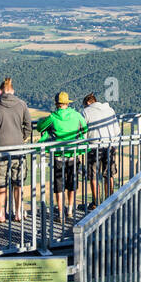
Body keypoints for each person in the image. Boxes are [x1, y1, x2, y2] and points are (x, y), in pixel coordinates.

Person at [0, 77, 34, 222]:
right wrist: (21, 139)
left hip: (0, 150)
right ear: (13, 91)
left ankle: (1, 214)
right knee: (18, 182)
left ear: (0, 91)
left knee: (1, 183)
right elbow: (28, 126)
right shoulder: (22, 104)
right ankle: (18, 212)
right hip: (18, 150)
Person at [39, 91, 88, 220]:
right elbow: (85, 128)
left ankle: (60, 213)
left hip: (58, 155)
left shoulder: (53, 117)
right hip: (73, 154)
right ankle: (70, 210)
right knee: (72, 183)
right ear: (67, 103)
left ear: (56, 104)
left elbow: (40, 127)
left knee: (59, 184)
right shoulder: (76, 115)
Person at [81, 93, 121, 204]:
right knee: (109, 174)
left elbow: (83, 133)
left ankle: (96, 203)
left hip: (94, 147)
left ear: (88, 103)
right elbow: (117, 130)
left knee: (93, 175)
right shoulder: (110, 110)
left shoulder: (86, 112)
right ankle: (110, 201)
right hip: (110, 145)